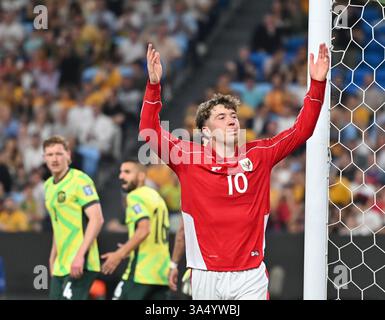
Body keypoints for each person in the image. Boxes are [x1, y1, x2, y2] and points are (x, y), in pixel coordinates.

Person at [140, 43, 329, 300]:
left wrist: (317, 84)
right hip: (205, 273)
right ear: (205, 131)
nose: (231, 119)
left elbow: (301, 131)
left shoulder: (259, 154)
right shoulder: (187, 157)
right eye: (221, 117)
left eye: (233, 115)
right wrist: (153, 86)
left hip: (249, 275)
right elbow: (149, 132)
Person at [43, 135, 104, 300]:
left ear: (68, 155)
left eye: (59, 154)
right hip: (61, 264)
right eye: (49, 155)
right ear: (44, 158)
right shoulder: (48, 186)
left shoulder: (80, 180)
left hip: (81, 262)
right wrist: (52, 256)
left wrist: (79, 255)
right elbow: (59, 224)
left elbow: (97, 219)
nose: (54, 159)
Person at [101, 159, 171, 300]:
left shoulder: (135, 196)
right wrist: (129, 247)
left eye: (127, 172)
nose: (121, 176)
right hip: (161, 274)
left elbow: (144, 230)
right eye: (121, 172)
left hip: (141, 273)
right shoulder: (157, 197)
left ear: (141, 176)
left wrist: (119, 254)